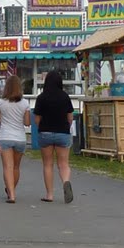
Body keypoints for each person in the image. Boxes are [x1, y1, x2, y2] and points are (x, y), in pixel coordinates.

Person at [34, 67, 75, 203]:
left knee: (48, 164)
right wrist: (66, 127)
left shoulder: (41, 97)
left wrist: (41, 128)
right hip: (62, 132)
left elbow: (37, 119)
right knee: (63, 164)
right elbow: (70, 117)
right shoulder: (65, 97)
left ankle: (50, 195)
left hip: (45, 133)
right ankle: (66, 181)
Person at [0, 75, 31, 202]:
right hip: (20, 138)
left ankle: (11, 194)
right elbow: (27, 123)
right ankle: (11, 189)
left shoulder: (1, 103)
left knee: (7, 167)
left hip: (5, 137)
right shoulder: (25, 103)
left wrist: (1, 121)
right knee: (16, 167)